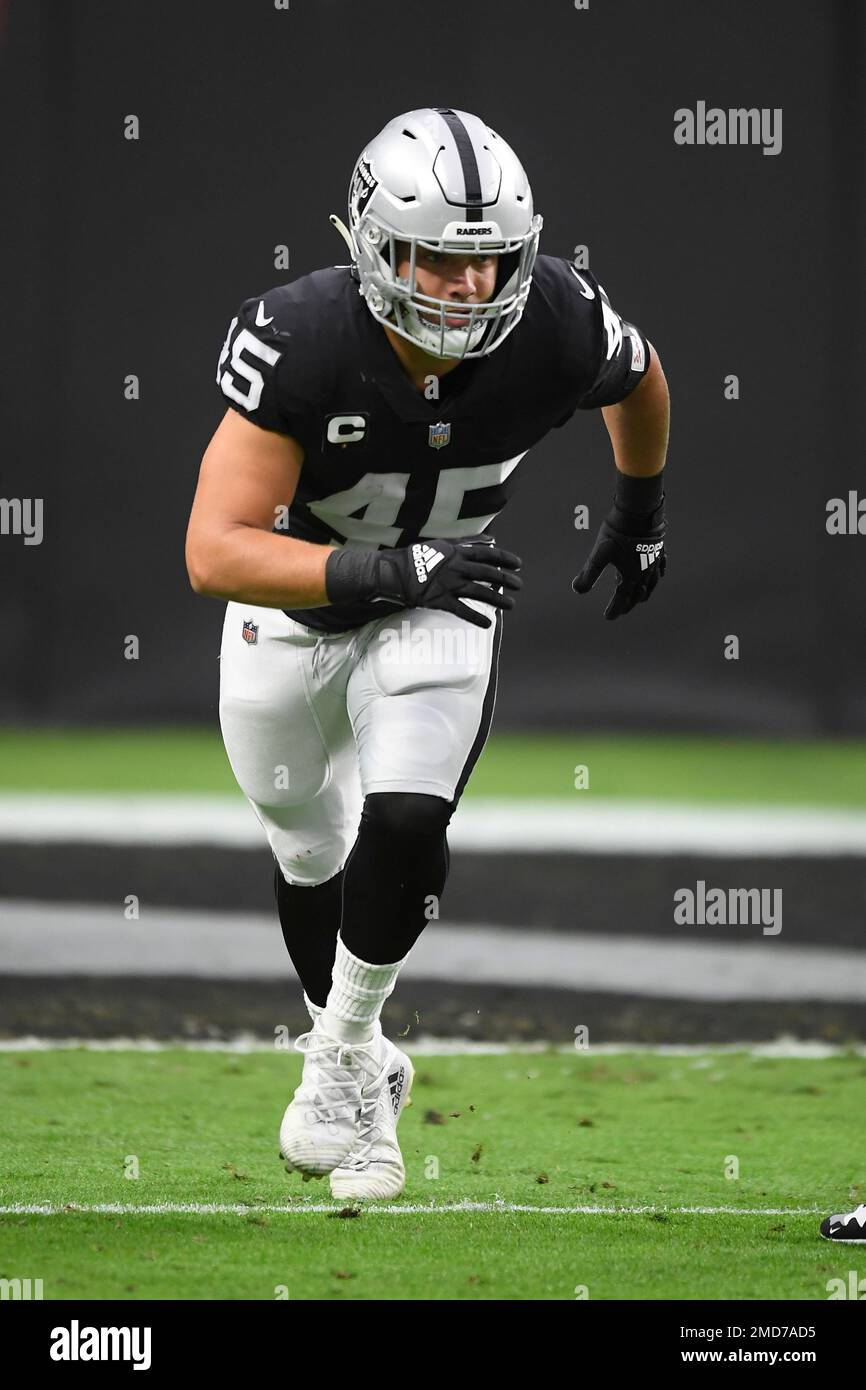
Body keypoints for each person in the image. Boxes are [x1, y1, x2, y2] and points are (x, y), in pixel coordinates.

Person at [185, 106, 670, 1200]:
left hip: (445, 593)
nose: (464, 288)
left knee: (405, 816)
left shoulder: (552, 320)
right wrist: (379, 572)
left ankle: (333, 1051)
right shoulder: (301, 338)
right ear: (371, 245)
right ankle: (366, 1075)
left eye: (487, 261)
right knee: (308, 850)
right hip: (296, 609)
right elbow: (214, 553)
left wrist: (638, 508)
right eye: (435, 261)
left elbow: (640, 378)